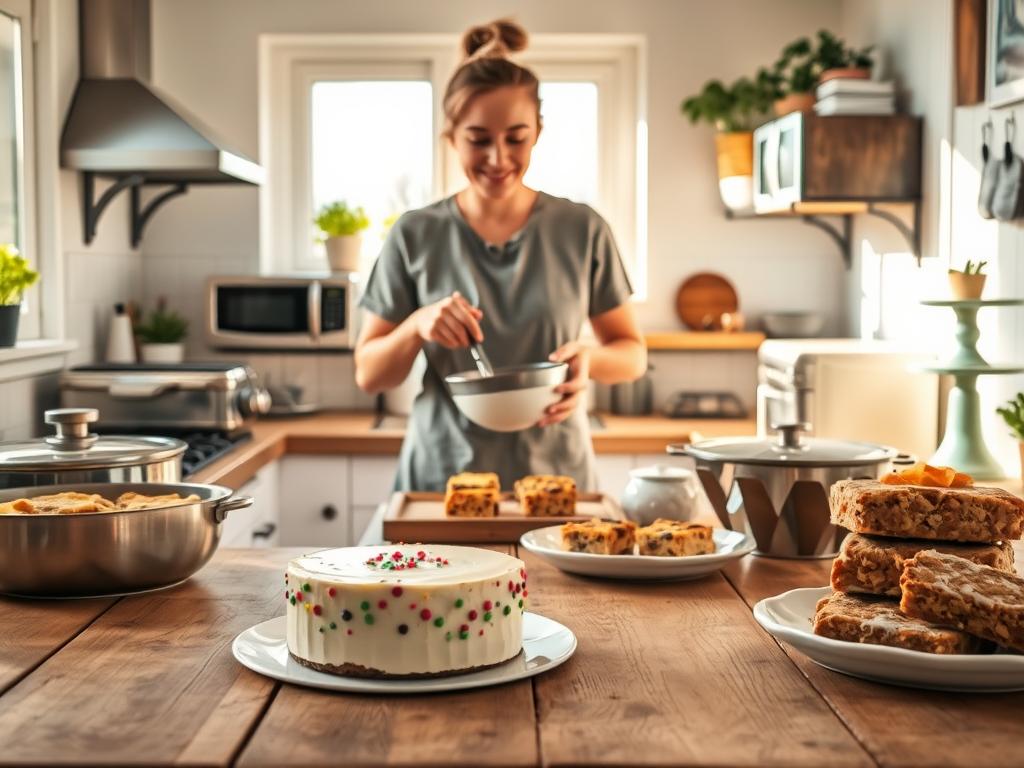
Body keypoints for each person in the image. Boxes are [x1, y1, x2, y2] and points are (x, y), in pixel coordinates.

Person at [355, 18, 646, 492]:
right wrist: (416, 325)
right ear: (451, 136)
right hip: (442, 482)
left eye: (516, 137)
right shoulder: (414, 233)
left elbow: (632, 353)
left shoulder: (582, 228)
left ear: (538, 131)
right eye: (478, 139)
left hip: (556, 480)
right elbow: (369, 374)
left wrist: (590, 359)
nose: (497, 158)